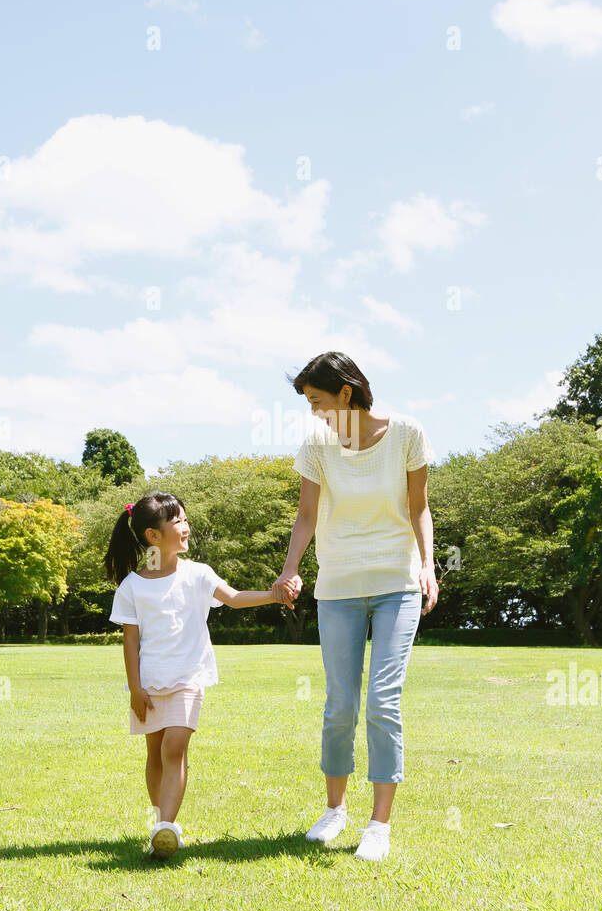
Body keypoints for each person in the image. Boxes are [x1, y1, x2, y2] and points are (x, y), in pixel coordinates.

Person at [273, 352, 438, 862]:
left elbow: (419, 507)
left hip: (396, 582)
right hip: (338, 586)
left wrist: (429, 565)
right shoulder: (317, 444)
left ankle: (379, 824)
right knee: (341, 703)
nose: (315, 413)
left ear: (347, 392)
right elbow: (305, 514)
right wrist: (289, 567)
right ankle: (335, 809)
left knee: (383, 701)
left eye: (318, 402)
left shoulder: (408, 432)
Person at [104, 491, 293, 859]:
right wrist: (134, 689)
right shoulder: (132, 587)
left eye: (185, 519)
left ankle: (166, 827)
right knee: (155, 755)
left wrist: (275, 595)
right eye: (178, 522)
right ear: (153, 536)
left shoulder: (198, 574)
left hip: (189, 677)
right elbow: (130, 643)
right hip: (149, 683)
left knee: (175, 747)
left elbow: (235, 598)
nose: (187, 528)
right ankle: (162, 824)